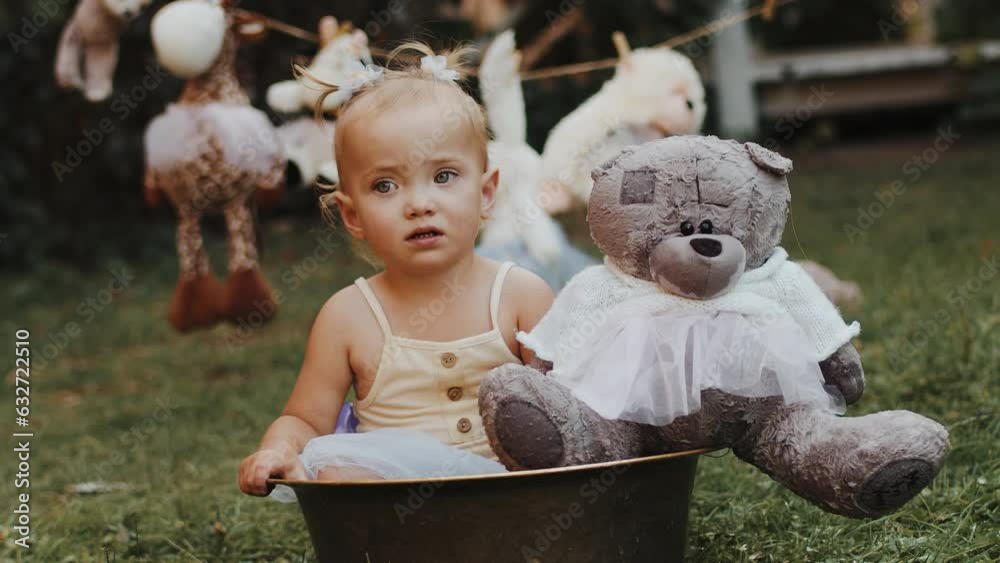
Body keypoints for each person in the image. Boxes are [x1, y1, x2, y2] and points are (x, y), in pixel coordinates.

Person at [238, 42, 554, 499]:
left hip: (513, 492)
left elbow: (570, 408)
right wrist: (278, 449)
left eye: (444, 176)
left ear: (487, 194)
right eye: (385, 185)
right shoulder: (348, 317)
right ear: (353, 216)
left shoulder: (520, 296)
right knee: (341, 476)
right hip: (399, 501)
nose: (419, 204)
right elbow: (305, 419)